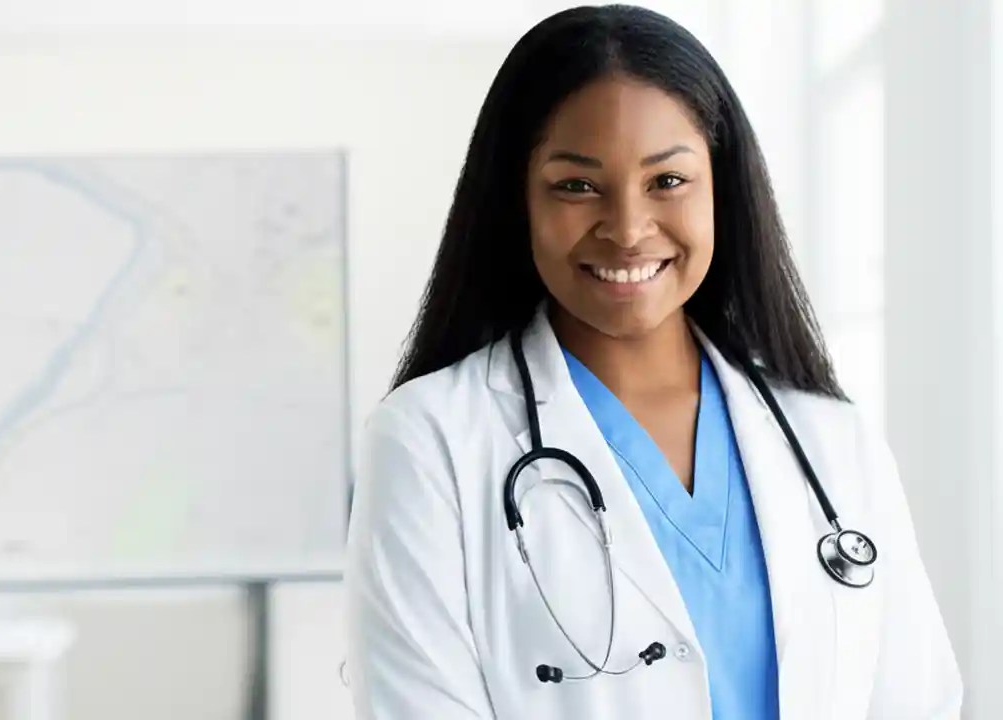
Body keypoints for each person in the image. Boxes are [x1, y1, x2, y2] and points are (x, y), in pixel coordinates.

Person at [343, 5, 962, 719]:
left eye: (667, 181)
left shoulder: (832, 440)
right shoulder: (430, 441)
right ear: (517, 202)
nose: (629, 229)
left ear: (721, 189)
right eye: (576, 185)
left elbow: (918, 700)